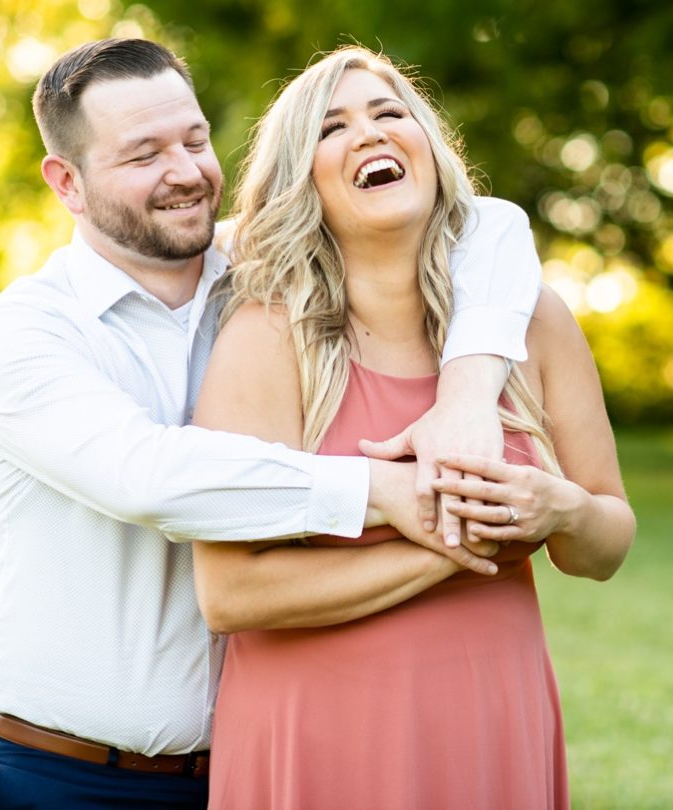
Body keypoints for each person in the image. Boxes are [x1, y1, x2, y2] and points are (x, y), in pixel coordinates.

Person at [0, 37, 543, 809]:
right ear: (66, 181)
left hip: (252, 766)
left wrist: (466, 402)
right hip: (65, 775)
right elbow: (150, 478)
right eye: (143, 156)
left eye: (194, 140)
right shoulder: (29, 331)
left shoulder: (265, 275)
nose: (186, 172)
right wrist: (389, 490)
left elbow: (491, 227)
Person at [192, 46, 637, 809]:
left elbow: (607, 539)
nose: (369, 133)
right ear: (305, 180)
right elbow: (231, 593)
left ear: (429, 148)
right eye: (333, 127)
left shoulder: (537, 320)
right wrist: (464, 541)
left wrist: (561, 512)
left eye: (390, 113)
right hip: (318, 734)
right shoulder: (266, 339)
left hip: (489, 715)